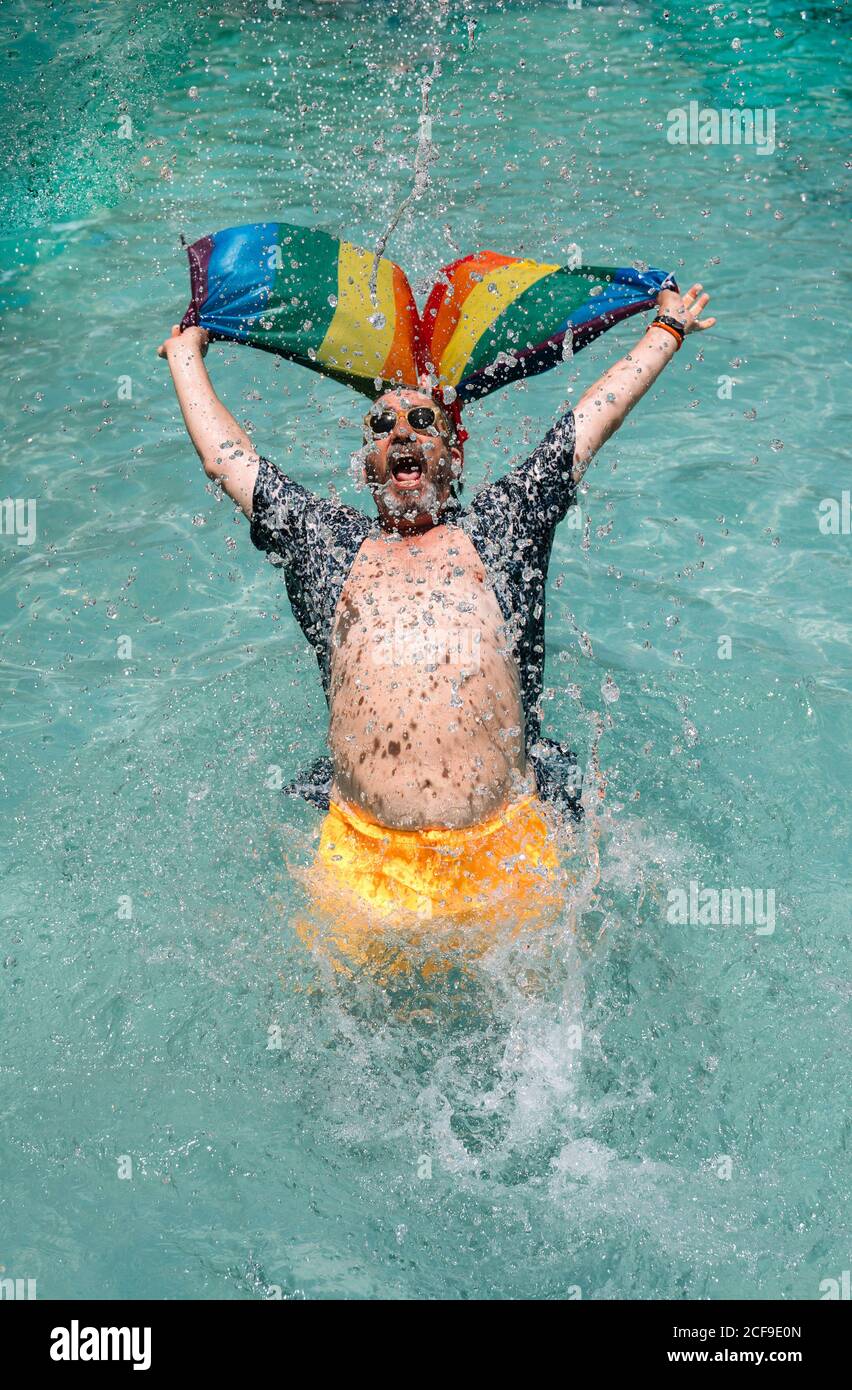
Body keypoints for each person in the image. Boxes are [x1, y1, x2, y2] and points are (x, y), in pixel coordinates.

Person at [158, 283, 714, 939]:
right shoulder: (327, 546)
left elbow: (586, 428)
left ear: (452, 455)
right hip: (363, 862)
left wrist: (666, 330)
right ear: (367, 463)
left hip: (504, 853)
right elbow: (228, 463)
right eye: (382, 425)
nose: (401, 432)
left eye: (424, 423)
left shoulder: (502, 531)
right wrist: (185, 354)